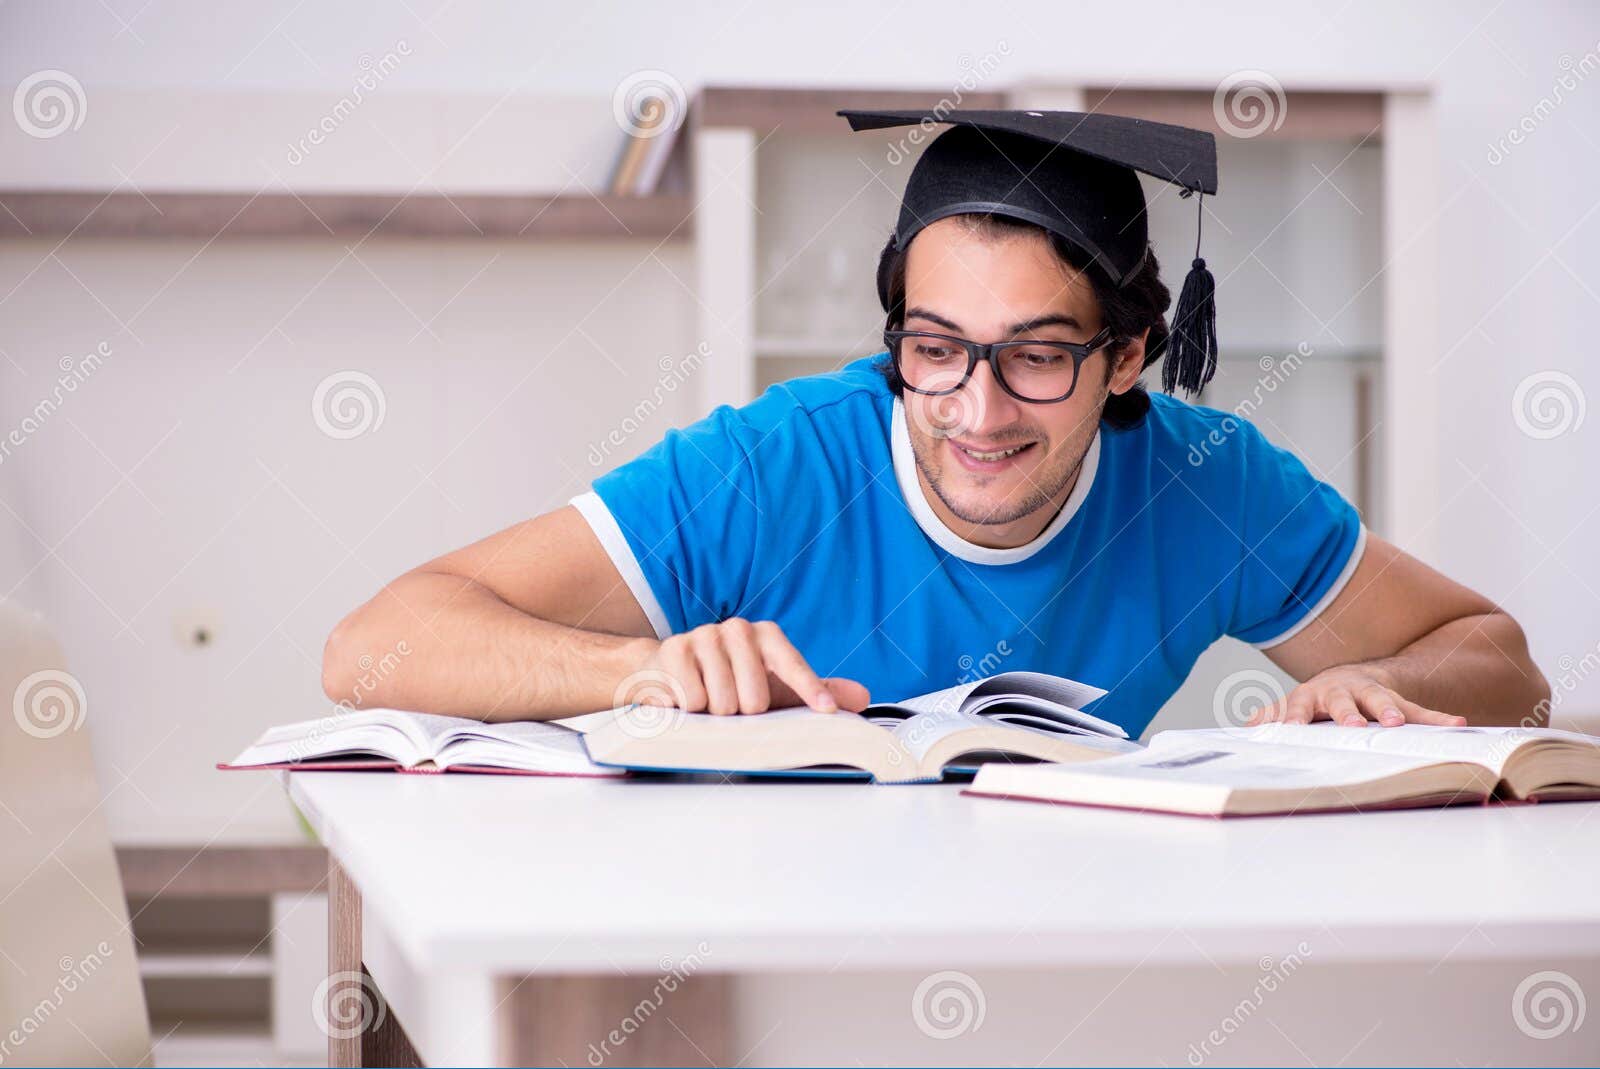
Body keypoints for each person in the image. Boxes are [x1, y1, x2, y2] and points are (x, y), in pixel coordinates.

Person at [322, 109, 1549, 736]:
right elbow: (375, 646)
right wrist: (638, 667)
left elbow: (1503, 666)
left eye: (1036, 358)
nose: (974, 408)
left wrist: (1379, 685)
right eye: (935, 349)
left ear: (1127, 357)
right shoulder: (775, 464)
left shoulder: (1206, 484)